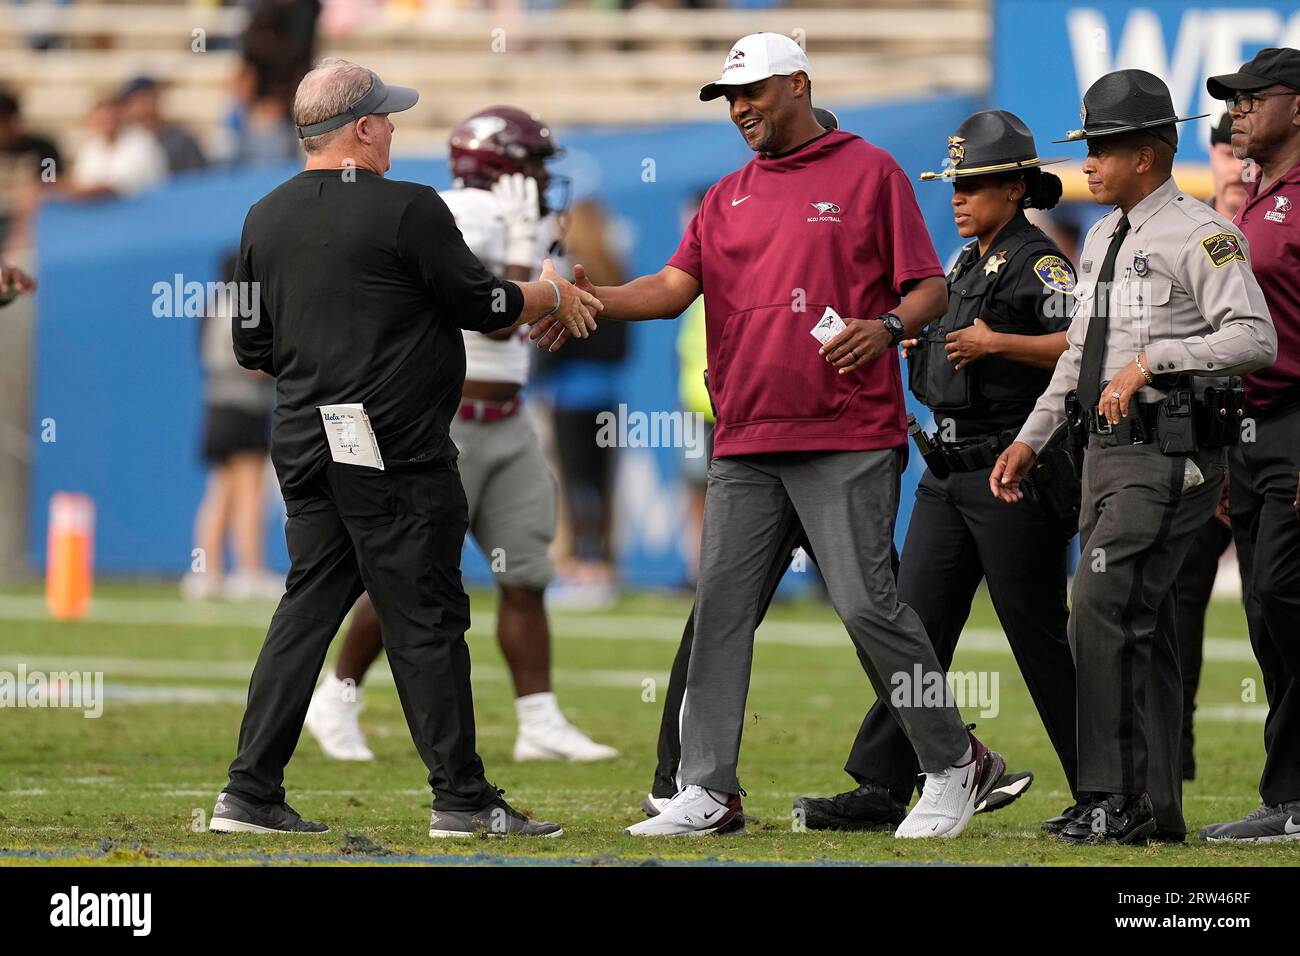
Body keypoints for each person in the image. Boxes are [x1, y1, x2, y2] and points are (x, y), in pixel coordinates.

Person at [535, 33, 1010, 839]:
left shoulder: (871, 171)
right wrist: (584, 300)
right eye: (728, 97)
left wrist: (887, 323)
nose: (739, 108)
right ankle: (708, 790)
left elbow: (928, 284)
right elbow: (667, 289)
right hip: (746, 436)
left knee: (867, 605)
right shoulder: (725, 196)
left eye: (751, 91)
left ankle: (954, 764)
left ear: (797, 83)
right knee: (719, 611)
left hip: (848, 430)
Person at [208, 58, 599, 838]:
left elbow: (252, 346)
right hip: (392, 444)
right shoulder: (408, 208)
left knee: (306, 611)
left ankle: (248, 792)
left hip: (305, 438)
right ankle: (462, 799)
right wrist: (547, 289)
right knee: (425, 617)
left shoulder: (262, 216)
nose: (392, 129)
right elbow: (482, 305)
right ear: (358, 129)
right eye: (384, 117)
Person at [991, 69, 1276, 844]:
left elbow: (1255, 337)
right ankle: (1151, 809)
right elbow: (1081, 354)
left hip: (1167, 452)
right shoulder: (1099, 235)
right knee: (1133, 623)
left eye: (1100, 147)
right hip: (1105, 454)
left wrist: (1155, 359)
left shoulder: (1201, 233)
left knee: (1104, 609)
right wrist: (1031, 437)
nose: (1086, 161)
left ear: (1146, 155)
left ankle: (1112, 798)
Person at [791, 109, 1081, 831]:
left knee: (1037, 633)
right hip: (945, 472)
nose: (957, 196)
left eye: (974, 183)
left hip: (1011, 467)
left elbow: (1081, 344)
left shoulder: (1036, 259)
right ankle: (885, 782)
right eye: (953, 182)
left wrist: (998, 344)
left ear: (1014, 187)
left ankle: (1105, 792)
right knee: (912, 628)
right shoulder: (961, 260)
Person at [305, 106, 617, 764]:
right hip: (445, 422)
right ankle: (335, 695)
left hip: (507, 422)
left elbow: (536, 315)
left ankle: (538, 719)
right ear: (502, 165)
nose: (541, 177)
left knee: (526, 571)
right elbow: (494, 319)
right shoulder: (462, 215)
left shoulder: (520, 220)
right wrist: (523, 248)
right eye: (532, 163)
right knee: (409, 577)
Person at [1200, 48, 1300, 842]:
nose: (1236, 112)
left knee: (1289, 603)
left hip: (1298, 423)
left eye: (1249, 99)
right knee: (1269, 609)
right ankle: (1288, 795)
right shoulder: (1255, 198)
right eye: (1230, 102)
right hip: (1252, 431)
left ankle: (1293, 797)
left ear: (1296, 107)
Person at [1171, 111, 1245, 782]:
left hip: (1272, 438)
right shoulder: (1192, 231)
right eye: (1222, 145)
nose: (1233, 158)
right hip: (1198, 444)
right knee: (1174, 599)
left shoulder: (1279, 224)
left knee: (1277, 606)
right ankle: (1175, 749)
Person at [181, 251, 282, 602]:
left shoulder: (214, 306)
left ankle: (206, 574)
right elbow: (250, 363)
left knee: (221, 491)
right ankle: (250, 571)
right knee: (250, 491)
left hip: (218, 407)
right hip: (243, 410)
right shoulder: (240, 307)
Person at [66, 93, 169, 201]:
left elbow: (116, 188)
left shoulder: (141, 143)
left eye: (109, 117)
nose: (105, 121)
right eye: (101, 118)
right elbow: (81, 182)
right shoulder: (92, 147)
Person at [118, 76, 207, 174]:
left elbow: (197, 178)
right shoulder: (124, 140)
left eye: (144, 97)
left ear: (156, 98)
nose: (139, 105)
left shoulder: (181, 140)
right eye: (131, 101)